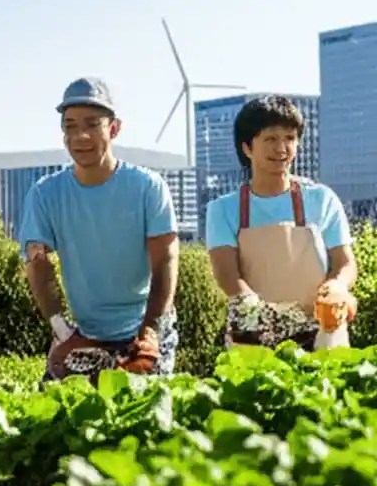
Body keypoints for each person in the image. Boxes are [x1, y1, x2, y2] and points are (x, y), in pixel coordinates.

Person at [21, 78, 180, 382]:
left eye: (92, 124)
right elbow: (37, 263)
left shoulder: (148, 187)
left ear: (114, 128)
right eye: (70, 126)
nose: (80, 136)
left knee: (144, 414)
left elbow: (165, 263)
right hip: (83, 332)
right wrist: (62, 330)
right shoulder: (45, 194)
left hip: (143, 325)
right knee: (53, 416)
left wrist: (149, 333)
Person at [204, 95, 358, 350]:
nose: (282, 148)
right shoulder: (223, 209)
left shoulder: (321, 199)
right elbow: (227, 273)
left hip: (320, 326)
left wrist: (337, 286)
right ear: (247, 148)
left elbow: (344, 262)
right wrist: (255, 309)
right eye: (270, 139)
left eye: (289, 138)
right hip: (254, 328)